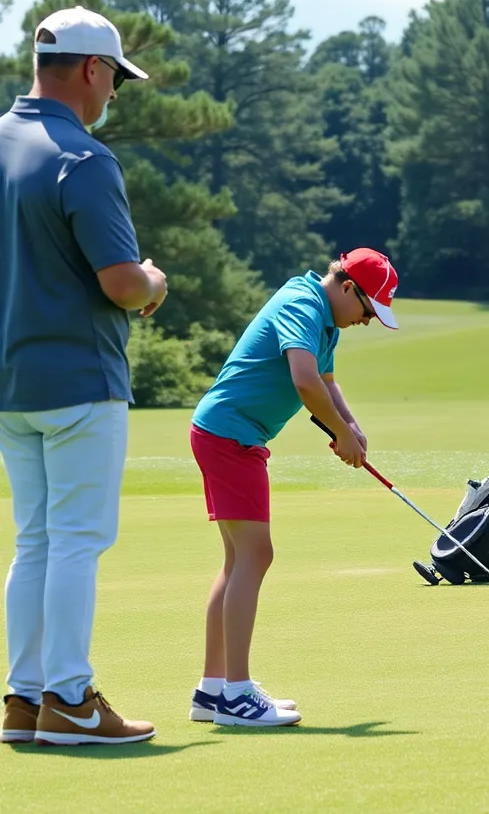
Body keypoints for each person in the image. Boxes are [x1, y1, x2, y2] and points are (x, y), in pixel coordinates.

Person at [0, 6, 164, 747]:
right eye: (115, 81)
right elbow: (122, 283)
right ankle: (68, 698)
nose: (113, 96)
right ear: (93, 70)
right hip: (78, 380)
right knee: (75, 540)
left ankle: (23, 700)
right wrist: (156, 280)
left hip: (9, 383)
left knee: (35, 539)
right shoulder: (85, 158)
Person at [187, 248, 398, 727]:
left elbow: (324, 378)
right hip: (228, 436)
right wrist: (340, 434)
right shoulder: (302, 303)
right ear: (348, 287)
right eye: (368, 310)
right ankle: (236, 695)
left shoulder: (326, 318)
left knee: (239, 559)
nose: (368, 320)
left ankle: (213, 690)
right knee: (256, 555)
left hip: (231, 434)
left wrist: (349, 423)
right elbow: (303, 381)